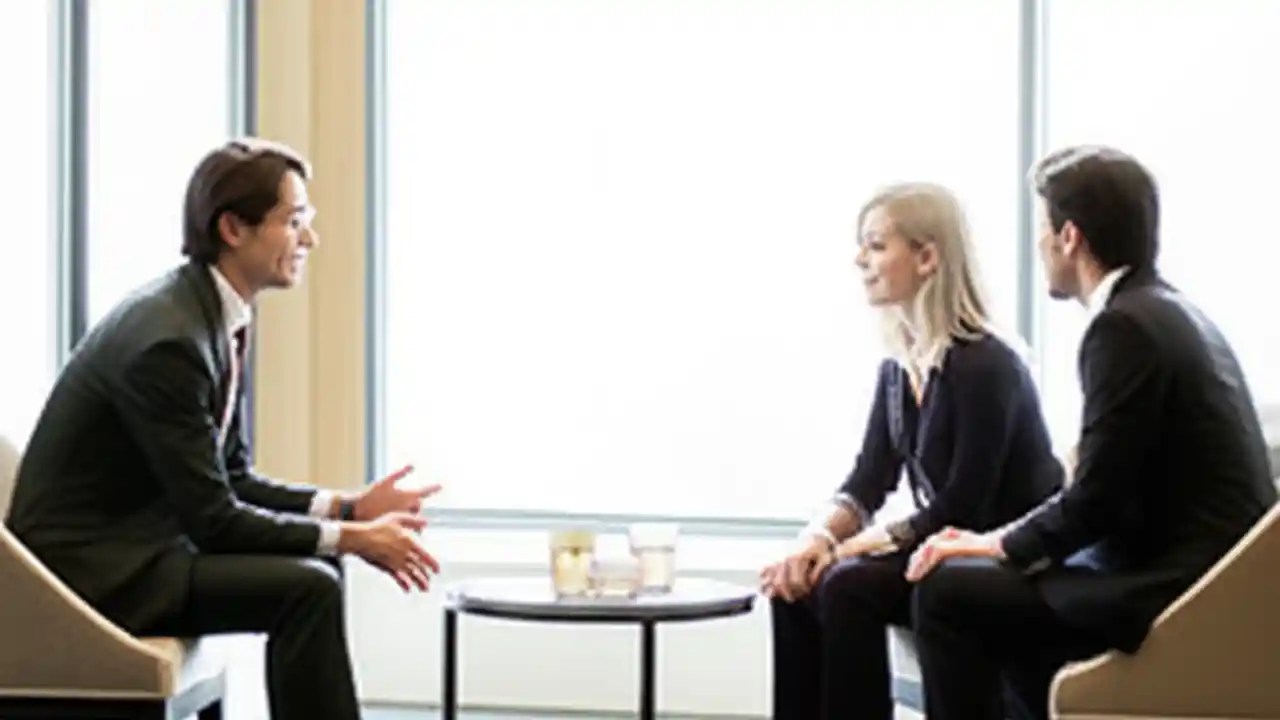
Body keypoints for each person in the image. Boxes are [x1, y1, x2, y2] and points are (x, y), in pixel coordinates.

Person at [5, 138, 439, 720]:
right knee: (309, 587)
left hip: (141, 553)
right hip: (94, 578)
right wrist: (354, 537)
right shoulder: (169, 342)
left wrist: (348, 508)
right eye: (294, 220)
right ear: (234, 228)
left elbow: (231, 477)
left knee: (317, 573)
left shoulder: (212, 314)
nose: (309, 238)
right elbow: (214, 520)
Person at [905, 145, 1278, 720]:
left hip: (1178, 589)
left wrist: (996, 543)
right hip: (1211, 581)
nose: (1038, 246)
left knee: (948, 591)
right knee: (999, 595)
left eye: (1042, 230)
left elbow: (1097, 501)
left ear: (1070, 237)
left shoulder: (1122, 328)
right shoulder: (1171, 311)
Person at [761, 182, 1063, 720]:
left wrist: (850, 550)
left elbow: (964, 506)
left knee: (847, 584)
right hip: (937, 550)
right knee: (796, 584)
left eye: (876, 245)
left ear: (927, 257)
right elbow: (867, 480)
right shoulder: (899, 368)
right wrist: (815, 540)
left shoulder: (986, 364)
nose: (860, 260)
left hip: (995, 559)